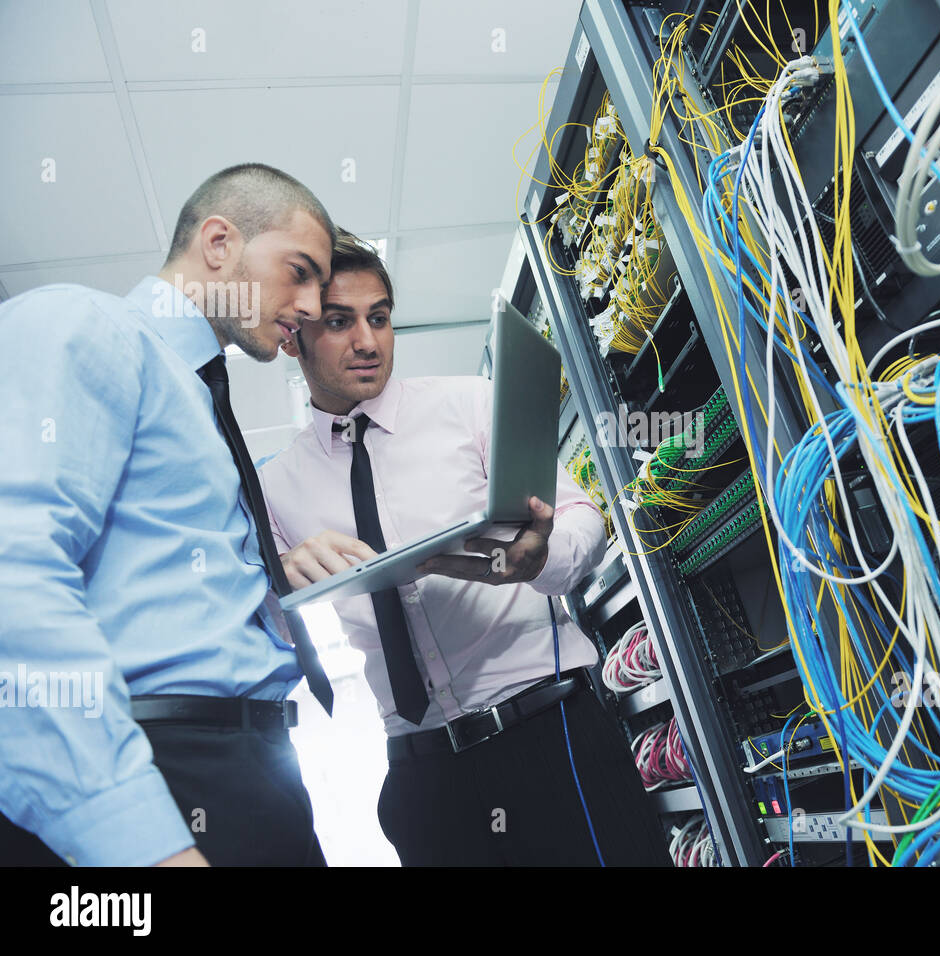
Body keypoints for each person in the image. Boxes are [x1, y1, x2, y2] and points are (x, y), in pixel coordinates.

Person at [259, 231, 670, 866]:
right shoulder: (276, 486)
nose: (367, 342)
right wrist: (279, 578)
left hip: (547, 732)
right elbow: (259, 625)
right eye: (338, 322)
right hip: (422, 775)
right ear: (292, 337)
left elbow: (579, 518)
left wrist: (542, 558)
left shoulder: (470, 405)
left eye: (380, 318)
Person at [0, 163, 339, 866]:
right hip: (163, 775)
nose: (310, 305)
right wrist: (138, 841)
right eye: (299, 270)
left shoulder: (198, 401)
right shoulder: (84, 324)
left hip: (249, 772)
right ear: (219, 242)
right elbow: (14, 573)